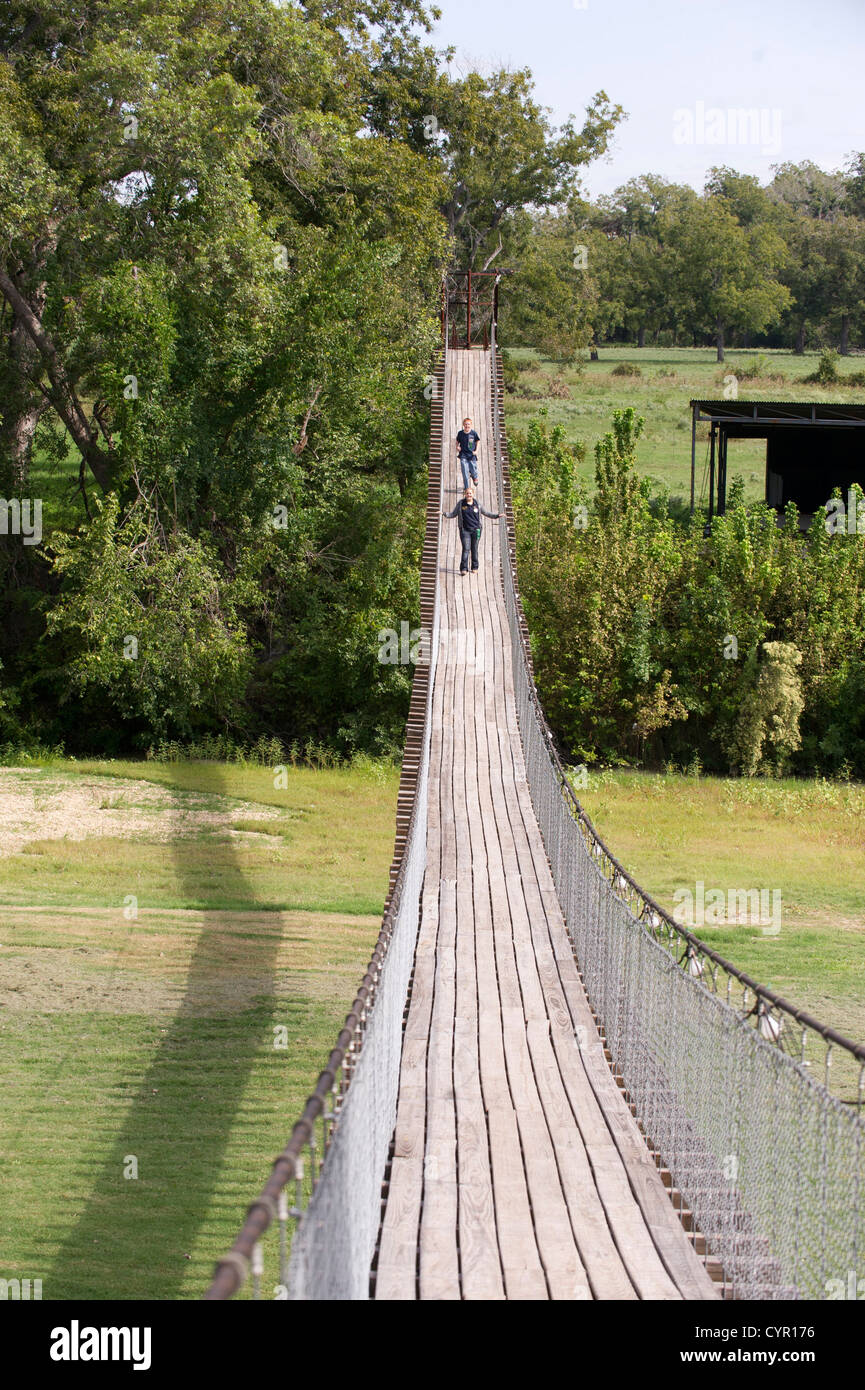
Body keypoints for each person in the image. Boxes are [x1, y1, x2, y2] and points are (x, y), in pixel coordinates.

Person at [443, 486, 500, 575]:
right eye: (467, 493)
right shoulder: (461, 504)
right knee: (466, 548)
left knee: (474, 548)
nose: (469, 495)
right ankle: (463, 568)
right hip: (465, 530)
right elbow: (453, 514)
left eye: (470, 493)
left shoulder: (477, 504)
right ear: (465, 494)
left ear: (473, 494)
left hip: (476, 530)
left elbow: (486, 513)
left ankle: (475, 567)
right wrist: (444, 514)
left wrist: (497, 516)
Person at [456, 416, 480, 489]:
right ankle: (466, 488)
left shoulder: (473, 433)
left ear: (471, 425)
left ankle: (474, 477)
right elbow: (457, 441)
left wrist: (476, 451)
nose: (467, 426)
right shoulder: (460, 433)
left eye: (468, 424)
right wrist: (457, 446)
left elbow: (477, 441)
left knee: (473, 468)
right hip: (463, 454)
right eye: (466, 424)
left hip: (471, 454)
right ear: (463, 425)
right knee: (465, 471)